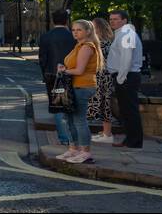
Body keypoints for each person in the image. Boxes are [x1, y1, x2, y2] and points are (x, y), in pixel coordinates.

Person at [54, 20, 104, 163]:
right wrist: (64, 68)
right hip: (75, 86)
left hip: (82, 86)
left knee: (79, 120)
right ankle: (73, 149)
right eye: (74, 30)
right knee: (69, 119)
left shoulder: (87, 47)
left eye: (79, 30)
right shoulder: (79, 46)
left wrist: (64, 71)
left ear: (88, 31)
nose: (75, 32)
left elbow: (80, 70)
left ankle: (85, 152)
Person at [38, 9, 77, 148]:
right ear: (66, 20)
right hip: (72, 74)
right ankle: (74, 137)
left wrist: (45, 74)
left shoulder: (45, 37)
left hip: (52, 75)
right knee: (72, 106)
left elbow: (42, 59)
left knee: (58, 106)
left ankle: (64, 138)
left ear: (53, 20)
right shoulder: (73, 36)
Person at [107, 9, 144, 149]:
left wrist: (121, 78)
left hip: (127, 76)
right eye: (111, 19)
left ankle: (134, 142)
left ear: (124, 20)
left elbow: (127, 58)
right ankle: (130, 139)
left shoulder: (127, 34)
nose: (112, 22)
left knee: (130, 110)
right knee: (125, 111)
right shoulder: (122, 33)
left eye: (116, 19)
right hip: (124, 76)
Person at [86, 18, 115, 142]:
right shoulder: (106, 42)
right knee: (104, 104)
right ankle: (105, 132)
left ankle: (107, 134)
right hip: (104, 77)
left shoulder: (100, 43)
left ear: (99, 28)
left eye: (93, 26)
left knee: (104, 104)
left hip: (101, 77)